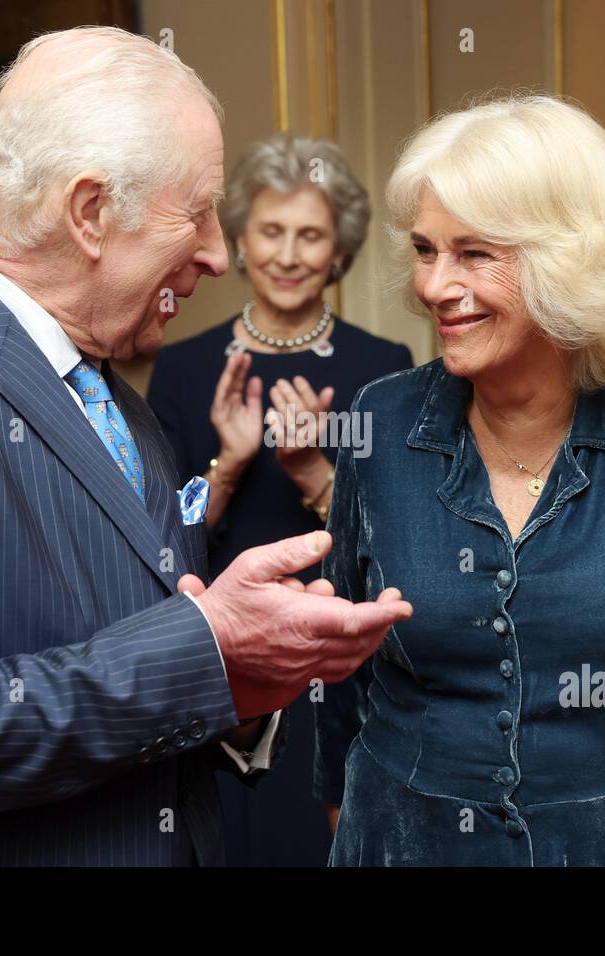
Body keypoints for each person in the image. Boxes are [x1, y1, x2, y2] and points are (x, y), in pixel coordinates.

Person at [0, 26, 411, 866]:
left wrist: (248, 683)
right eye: (197, 210)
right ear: (90, 212)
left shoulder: (121, 409)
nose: (217, 252)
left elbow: (129, 686)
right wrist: (209, 643)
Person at [313, 94, 605, 866]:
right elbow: (339, 669)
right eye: (427, 250)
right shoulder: (382, 421)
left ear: (570, 259)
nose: (434, 286)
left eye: (473, 253)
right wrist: (351, 824)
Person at [147, 134, 412, 866]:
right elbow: (159, 545)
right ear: (238, 241)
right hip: (223, 661)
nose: (289, 254)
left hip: (342, 662)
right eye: (271, 231)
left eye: (310, 235)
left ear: (339, 251)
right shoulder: (182, 366)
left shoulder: (383, 368)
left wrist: (313, 471)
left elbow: (400, 546)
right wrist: (226, 468)